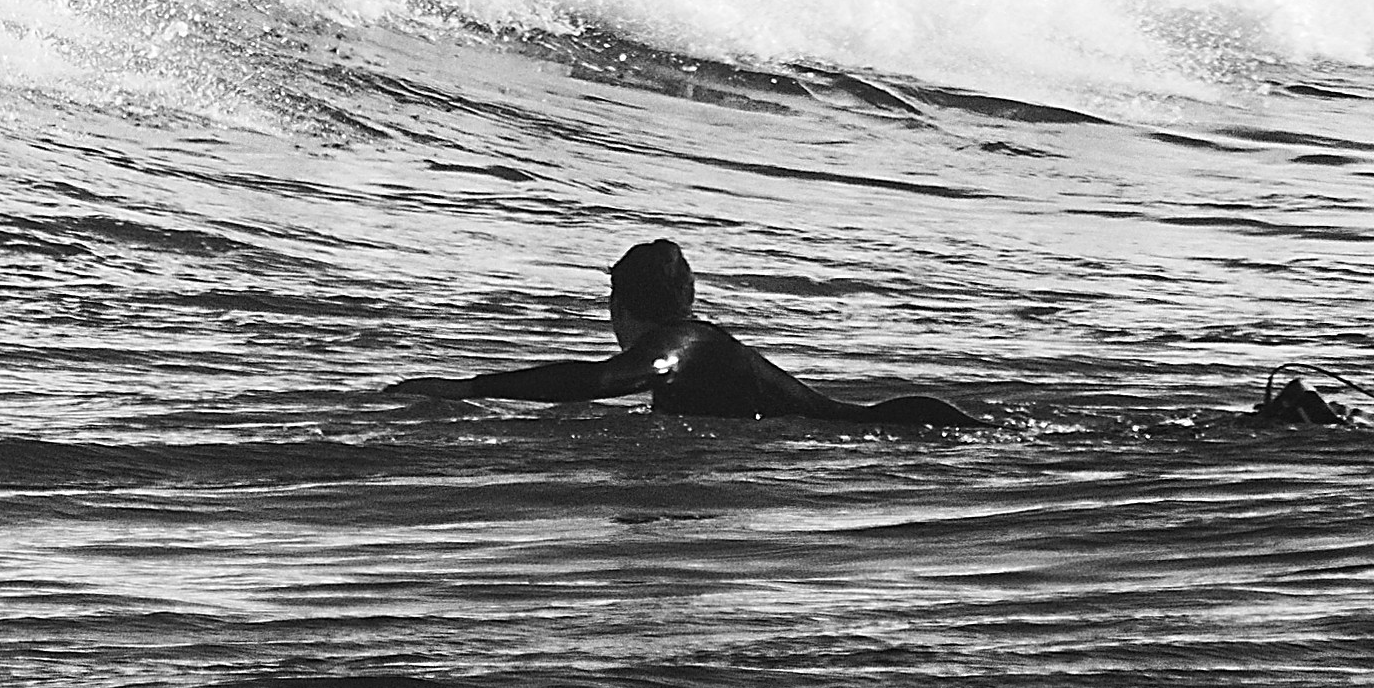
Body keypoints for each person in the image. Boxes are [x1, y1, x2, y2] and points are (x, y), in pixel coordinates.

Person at [393, 237, 988, 428]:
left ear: (619, 308)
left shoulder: (676, 346)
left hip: (899, 427)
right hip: (887, 423)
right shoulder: (695, 343)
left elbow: (602, 379)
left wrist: (472, 388)